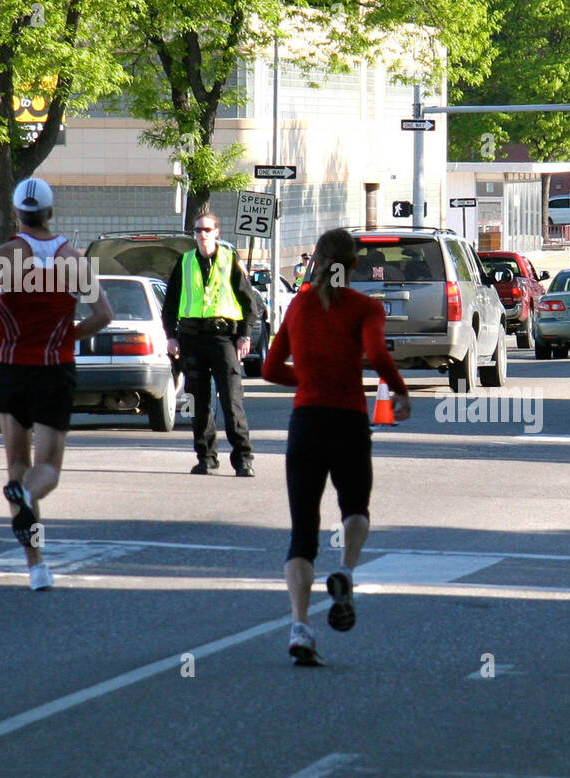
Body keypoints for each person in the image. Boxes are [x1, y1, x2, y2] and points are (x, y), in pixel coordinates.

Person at [0, 177, 112, 591]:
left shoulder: (2, 256)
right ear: (51, 213)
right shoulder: (74, 260)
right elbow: (103, 315)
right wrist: (68, 335)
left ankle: (36, 565)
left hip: (7, 368)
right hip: (53, 368)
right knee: (47, 472)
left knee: (17, 467)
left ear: (17, 213)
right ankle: (25, 500)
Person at [263, 228, 412, 665]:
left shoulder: (298, 306)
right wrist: (399, 390)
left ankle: (300, 627)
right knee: (355, 509)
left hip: (306, 422)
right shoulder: (366, 307)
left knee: (302, 534)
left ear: (315, 261)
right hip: (347, 420)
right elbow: (377, 354)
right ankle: (345, 569)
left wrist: (308, 380)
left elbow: (271, 369)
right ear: (356, 265)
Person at [163, 212, 261, 476]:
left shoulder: (229, 260)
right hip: (191, 338)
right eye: (197, 231)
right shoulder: (184, 262)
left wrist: (244, 335)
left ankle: (243, 459)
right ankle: (206, 457)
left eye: (207, 230)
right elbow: (170, 304)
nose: (202, 235)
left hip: (223, 338)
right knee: (198, 401)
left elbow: (247, 302)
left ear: (217, 232)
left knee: (231, 400)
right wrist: (170, 336)